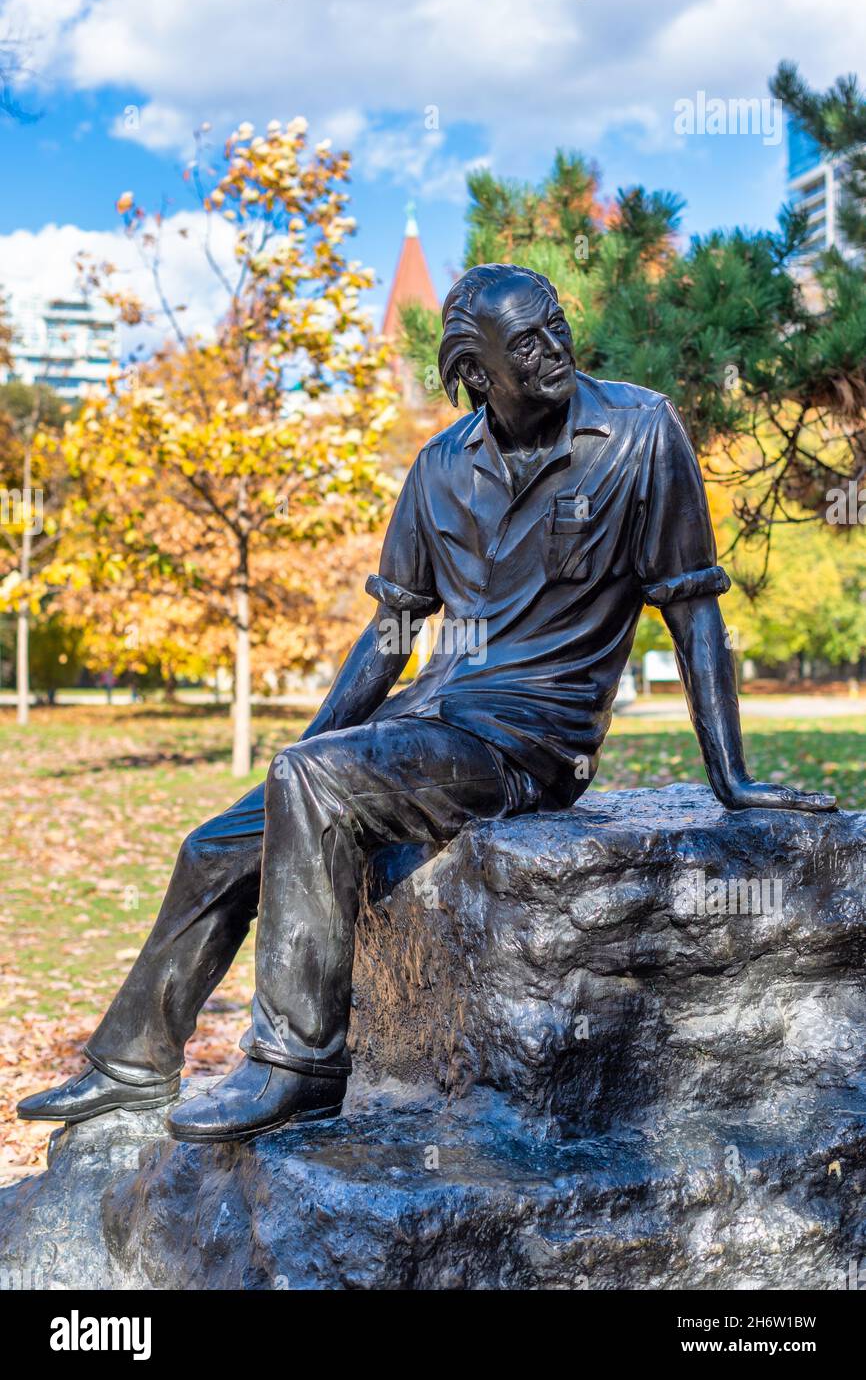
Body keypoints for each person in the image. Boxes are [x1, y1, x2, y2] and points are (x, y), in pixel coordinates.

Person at [18, 264, 835, 1143]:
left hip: (532, 737)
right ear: (477, 372)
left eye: (556, 325)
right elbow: (393, 633)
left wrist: (734, 779)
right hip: (432, 715)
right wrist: (302, 753)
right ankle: (133, 1064)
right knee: (216, 843)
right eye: (526, 342)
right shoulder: (440, 465)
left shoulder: (639, 430)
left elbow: (692, 606)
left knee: (317, 788)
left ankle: (298, 1066)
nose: (555, 348)